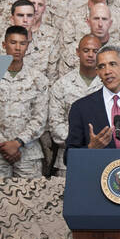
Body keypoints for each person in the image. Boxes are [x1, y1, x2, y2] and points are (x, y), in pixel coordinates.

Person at [0, 26, 51, 177]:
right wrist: (3, 145)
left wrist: (18, 142)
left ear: (27, 46)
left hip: (28, 154)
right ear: (4, 45)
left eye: (22, 43)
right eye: (13, 43)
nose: (18, 48)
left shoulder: (38, 79)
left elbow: (40, 118)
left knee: (30, 200)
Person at [47, 35, 103, 174]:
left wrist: (99, 143)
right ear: (78, 52)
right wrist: (84, 143)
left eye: (95, 51)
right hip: (69, 159)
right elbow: (55, 125)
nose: (90, 55)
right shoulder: (61, 85)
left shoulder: (109, 84)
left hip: (103, 157)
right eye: (86, 50)